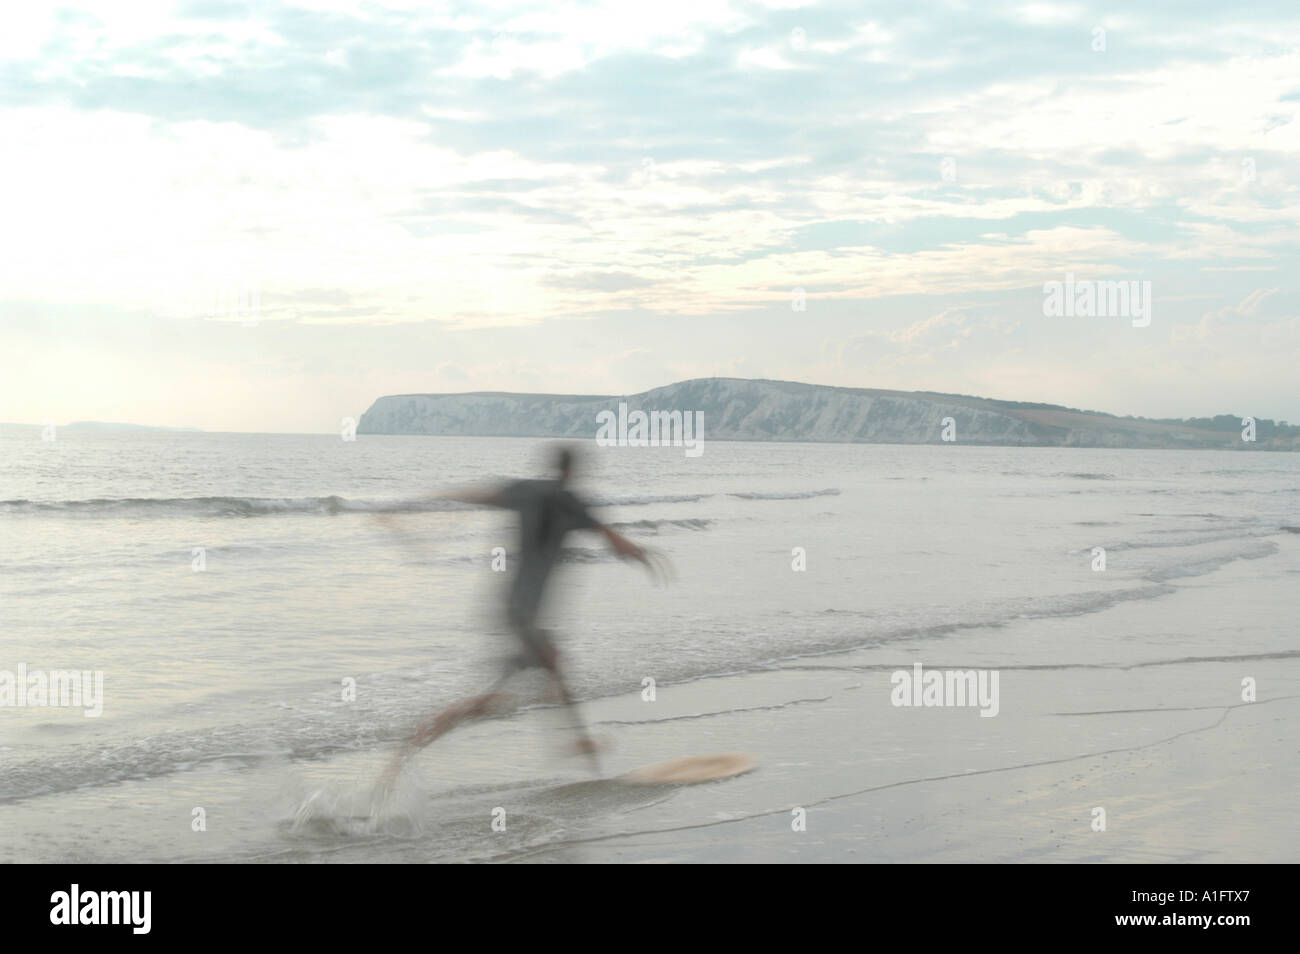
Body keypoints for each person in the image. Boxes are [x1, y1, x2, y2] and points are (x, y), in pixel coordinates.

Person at [378, 444, 668, 785]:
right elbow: (614, 541)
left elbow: (475, 495)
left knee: (548, 668)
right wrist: (646, 556)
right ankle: (414, 742)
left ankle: (574, 742)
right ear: (573, 472)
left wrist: (419, 504)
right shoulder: (572, 502)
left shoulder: (525, 490)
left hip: (512, 608)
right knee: (502, 694)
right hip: (525, 615)